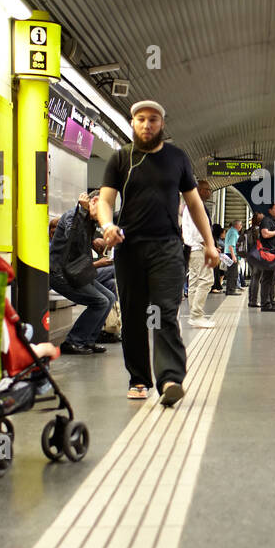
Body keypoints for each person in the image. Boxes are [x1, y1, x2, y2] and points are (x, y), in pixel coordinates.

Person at [96, 100, 219, 407]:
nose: (147, 124)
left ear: (162, 124)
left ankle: (170, 379)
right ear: (132, 122)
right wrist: (107, 224)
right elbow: (105, 200)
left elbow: (194, 204)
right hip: (129, 247)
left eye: (153, 119)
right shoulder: (121, 158)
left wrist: (210, 244)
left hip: (167, 246)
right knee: (134, 314)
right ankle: (138, 379)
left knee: (165, 311)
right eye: (141, 119)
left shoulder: (177, 158)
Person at [49, 191, 114, 354]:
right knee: (100, 302)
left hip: (76, 272)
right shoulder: (73, 215)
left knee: (110, 297)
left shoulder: (89, 220)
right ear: (95, 201)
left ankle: (87, 340)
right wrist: (83, 213)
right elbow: (74, 241)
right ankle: (73, 341)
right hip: (61, 273)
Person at [180, 178, 216, 329]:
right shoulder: (196, 206)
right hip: (198, 248)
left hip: (191, 249)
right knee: (207, 280)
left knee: (194, 282)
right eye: (208, 190)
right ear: (200, 190)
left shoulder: (189, 206)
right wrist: (209, 246)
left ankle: (194, 316)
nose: (209, 193)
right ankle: (197, 315)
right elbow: (197, 233)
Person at [253, 203, 275, 312]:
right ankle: (265, 304)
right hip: (268, 255)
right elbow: (265, 234)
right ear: (270, 210)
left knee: (272, 279)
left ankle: (271, 302)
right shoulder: (266, 220)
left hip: (273, 255)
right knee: (267, 279)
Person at [246, 211, 265, 307]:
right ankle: (253, 301)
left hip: (250, 257)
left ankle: (251, 300)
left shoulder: (249, 230)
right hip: (258, 257)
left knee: (253, 278)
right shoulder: (260, 231)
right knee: (256, 279)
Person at [222, 220, 243, 294]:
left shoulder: (230, 231)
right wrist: (234, 256)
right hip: (231, 254)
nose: (241, 227)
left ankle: (229, 289)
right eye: (240, 225)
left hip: (227, 253)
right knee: (233, 273)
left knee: (230, 273)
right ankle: (231, 290)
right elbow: (231, 245)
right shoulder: (234, 233)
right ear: (237, 225)